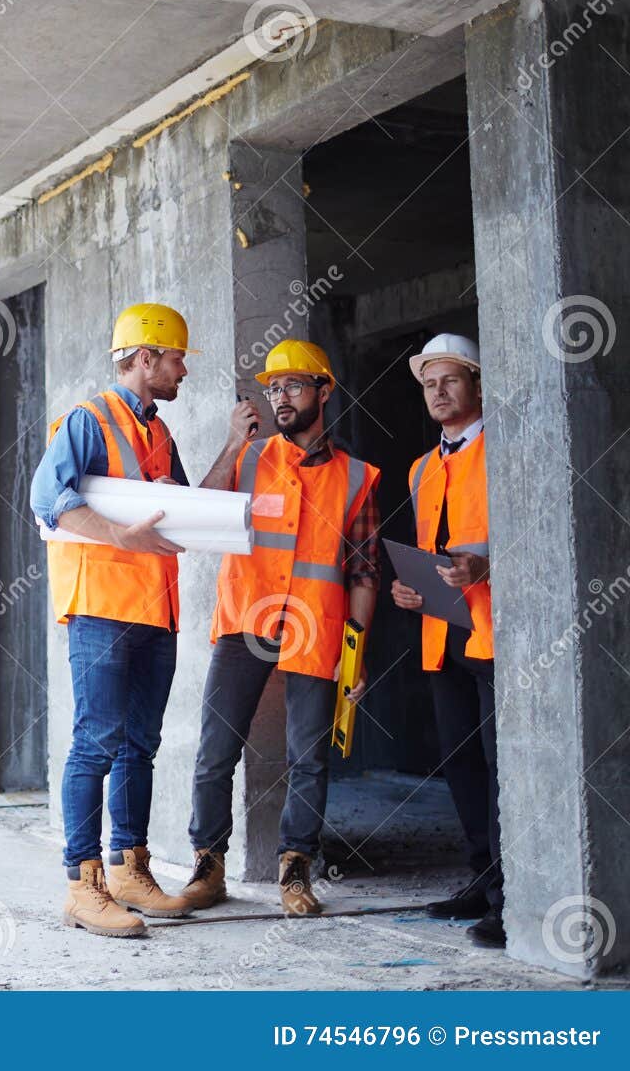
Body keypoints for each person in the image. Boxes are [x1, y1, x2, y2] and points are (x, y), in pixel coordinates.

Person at [180, 339, 380, 917]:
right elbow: (197, 517)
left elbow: (364, 571)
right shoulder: (248, 458)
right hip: (246, 619)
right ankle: (208, 866)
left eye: (293, 384)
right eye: (273, 388)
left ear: (324, 391)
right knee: (216, 752)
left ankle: (295, 868)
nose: (280, 397)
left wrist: (355, 653)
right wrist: (230, 443)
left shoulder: (357, 477)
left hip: (317, 626)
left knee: (309, 757)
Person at [29, 301, 197, 939]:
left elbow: (189, 509)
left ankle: (130, 869)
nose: (183, 370)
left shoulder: (160, 433)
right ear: (146, 357)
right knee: (96, 741)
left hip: (155, 608)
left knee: (139, 744)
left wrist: (232, 451)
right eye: (176, 358)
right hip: (102, 604)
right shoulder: (89, 419)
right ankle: (83, 885)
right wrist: (121, 537)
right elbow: (48, 499)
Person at [391, 334, 504, 948]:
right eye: (429, 383)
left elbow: (533, 531)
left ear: (477, 385)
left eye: (451, 380)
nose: (438, 392)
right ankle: (483, 880)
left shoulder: (503, 448)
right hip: (442, 633)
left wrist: (487, 566)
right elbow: (428, 549)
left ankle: (511, 899)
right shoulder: (421, 468)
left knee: (500, 764)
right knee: (461, 761)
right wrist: (408, 590)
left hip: (497, 631)